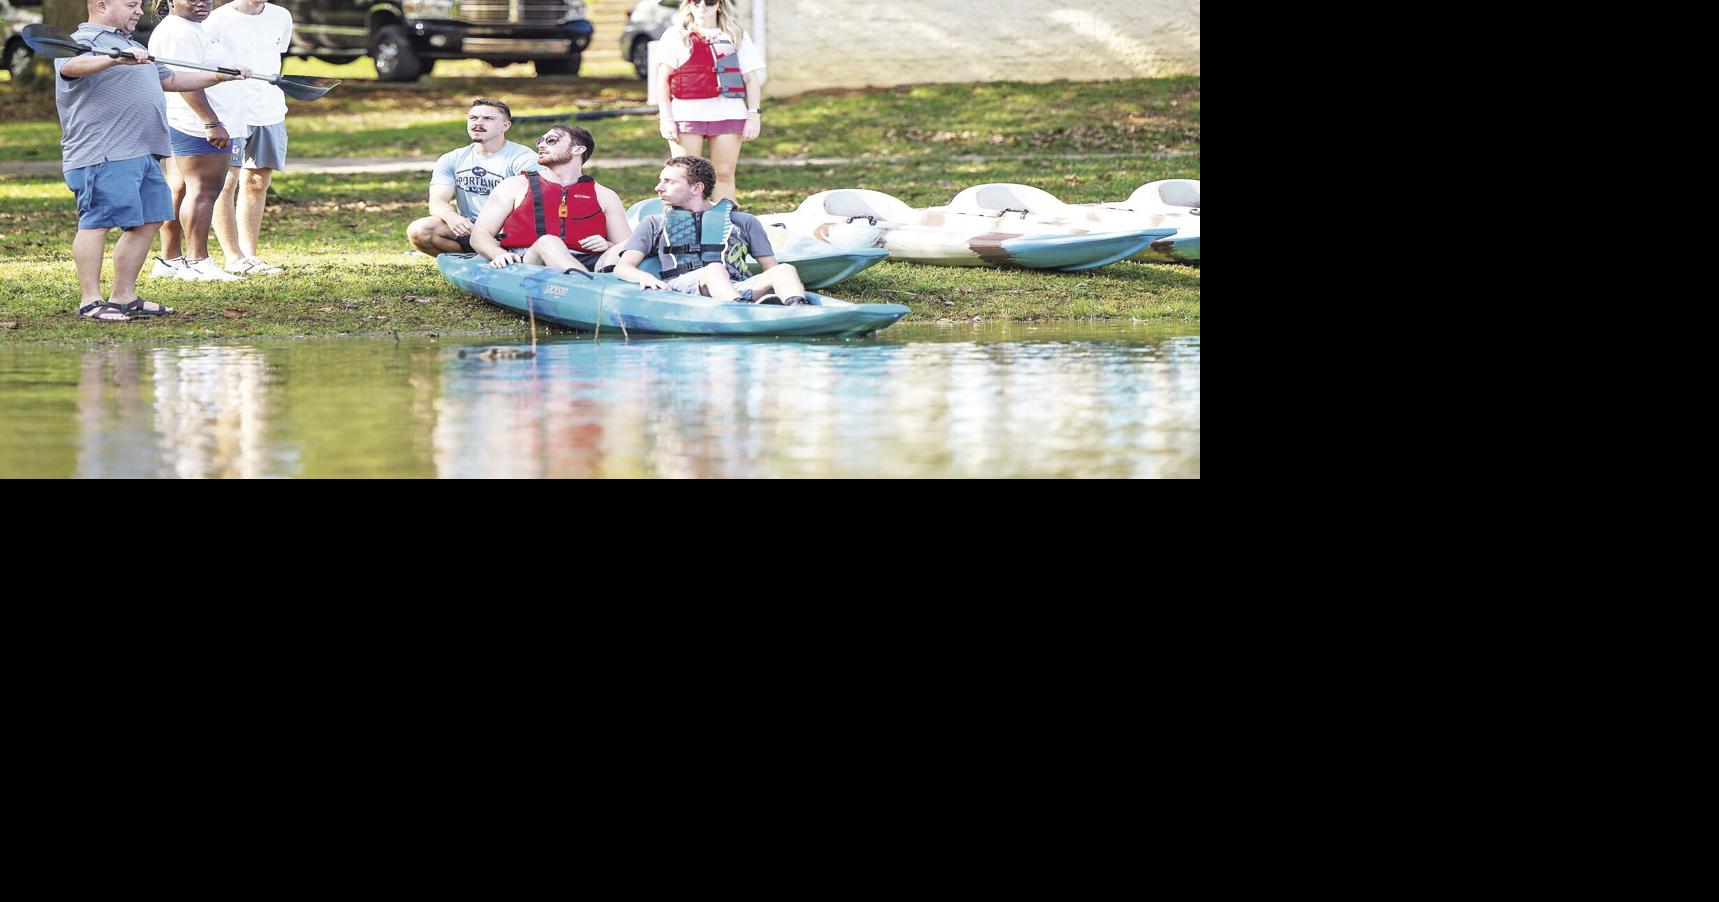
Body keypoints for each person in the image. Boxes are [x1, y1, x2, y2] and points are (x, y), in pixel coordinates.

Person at [54, 0, 249, 322]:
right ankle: (90, 301)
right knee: (97, 223)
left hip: (143, 152)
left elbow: (171, 80)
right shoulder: (82, 42)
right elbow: (70, 68)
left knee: (148, 222)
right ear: (102, 5)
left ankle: (124, 297)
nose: (139, 11)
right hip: (103, 154)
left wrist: (219, 77)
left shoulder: (132, 45)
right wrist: (113, 58)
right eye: (131, 5)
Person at [613, 156, 808, 306]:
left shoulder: (744, 221)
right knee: (714, 269)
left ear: (697, 188)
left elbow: (771, 268)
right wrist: (644, 277)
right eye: (660, 181)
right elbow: (623, 267)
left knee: (784, 270)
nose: (658, 188)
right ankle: (741, 311)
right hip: (681, 290)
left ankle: (798, 309)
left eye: (669, 182)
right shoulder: (654, 223)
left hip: (736, 287)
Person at [147, 0, 246, 282]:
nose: (201, 2)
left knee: (180, 190)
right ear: (169, 1)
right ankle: (198, 261)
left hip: (189, 123)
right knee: (203, 191)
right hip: (194, 124)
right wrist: (211, 122)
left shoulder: (191, 27)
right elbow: (183, 82)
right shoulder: (178, 32)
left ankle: (170, 260)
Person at [468, 125, 630, 273]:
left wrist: (608, 244)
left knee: (631, 244)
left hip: (589, 260)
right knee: (548, 242)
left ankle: (602, 282)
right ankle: (584, 285)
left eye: (551, 140)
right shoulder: (515, 185)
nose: (541, 145)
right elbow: (480, 234)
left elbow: (626, 244)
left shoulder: (605, 195)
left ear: (577, 149)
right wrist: (498, 254)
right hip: (532, 261)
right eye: (540, 140)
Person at [204, 0, 291, 275]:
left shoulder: (281, 16)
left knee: (257, 181)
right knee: (225, 182)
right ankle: (233, 257)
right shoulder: (216, 20)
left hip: (269, 110)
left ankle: (250, 256)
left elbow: (276, 53)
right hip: (230, 113)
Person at [654, 0, 764, 205]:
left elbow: (751, 79)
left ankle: (725, 225)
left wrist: (754, 115)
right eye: (695, 1)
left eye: (710, 1)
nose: (702, 5)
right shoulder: (675, 36)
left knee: (724, 172)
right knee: (684, 176)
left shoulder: (735, 35)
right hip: (686, 116)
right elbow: (663, 80)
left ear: (720, 4)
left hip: (729, 114)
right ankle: (683, 225)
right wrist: (666, 119)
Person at [407, 98, 541, 255]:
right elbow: (437, 202)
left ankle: (498, 254)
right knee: (420, 231)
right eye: (473, 118)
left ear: (506, 126)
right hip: (470, 230)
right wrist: (452, 217)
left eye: (488, 118)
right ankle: (471, 258)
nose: (478, 123)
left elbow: (535, 206)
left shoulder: (523, 159)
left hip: (509, 232)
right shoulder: (452, 158)